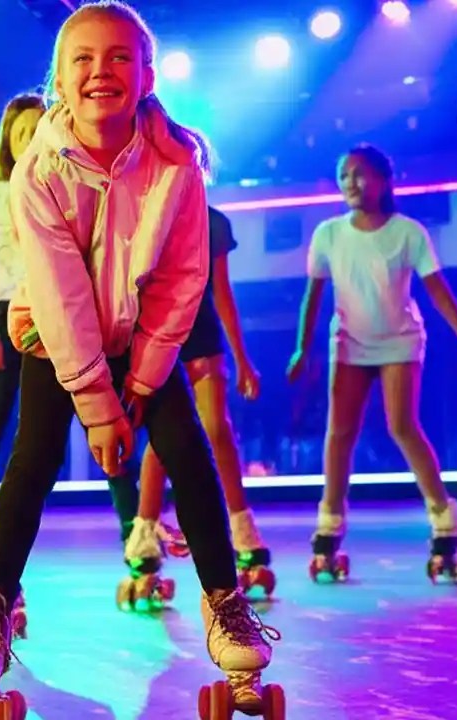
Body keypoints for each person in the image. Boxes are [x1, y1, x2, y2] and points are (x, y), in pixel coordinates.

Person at [0, 3, 277, 716]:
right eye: (83, 60)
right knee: (33, 458)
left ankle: (225, 602)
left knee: (187, 448)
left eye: (120, 56)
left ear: (147, 76)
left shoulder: (177, 165)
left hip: (142, 332)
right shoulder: (38, 170)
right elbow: (59, 292)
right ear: (59, 81)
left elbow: (183, 279)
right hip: (53, 333)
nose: (102, 71)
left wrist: (145, 381)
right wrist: (99, 407)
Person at [0, 92, 144, 625]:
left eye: (38, 128)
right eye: (20, 132)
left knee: (105, 422)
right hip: (8, 319)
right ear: (7, 140)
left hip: (70, 315)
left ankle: (138, 545)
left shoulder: (71, 176)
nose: (30, 139)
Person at [286, 144, 457, 584]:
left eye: (361, 174)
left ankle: (444, 517)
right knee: (340, 432)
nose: (351, 182)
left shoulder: (408, 233)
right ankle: (330, 521)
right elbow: (313, 295)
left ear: (383, 180)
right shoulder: (328, 234)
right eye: (344, 175)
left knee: (403, 426)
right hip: (349, 342)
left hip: (400, 340)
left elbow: (439, 292)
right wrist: (302, 347)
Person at [124, 205, 273, 606]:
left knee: (217, 428)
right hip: (158, 334)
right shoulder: (143, 213)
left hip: (201, 334)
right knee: (164, 436)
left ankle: (242, 532)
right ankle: (144, 536)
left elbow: (222, 292)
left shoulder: (213, 222)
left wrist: (242, 359)